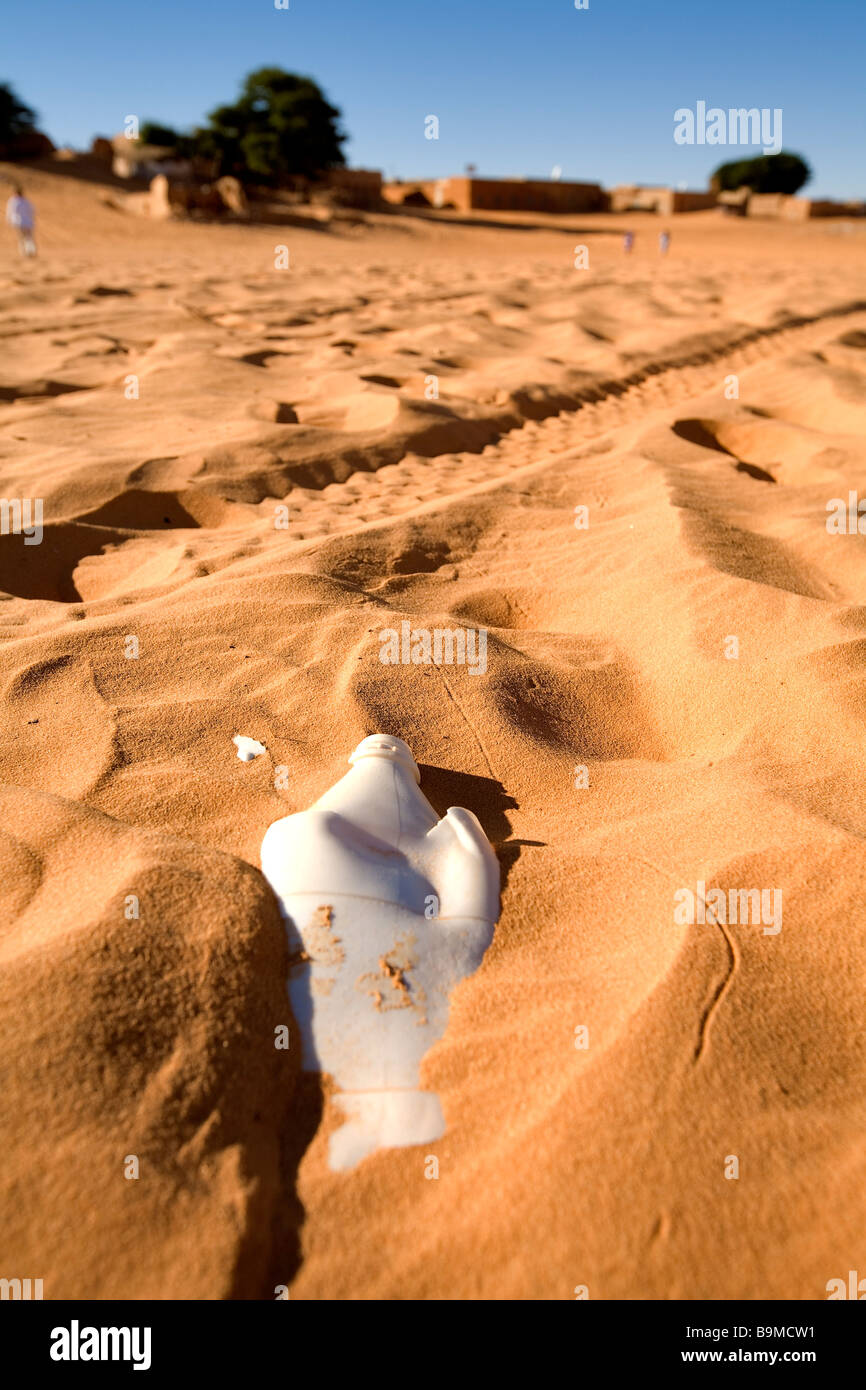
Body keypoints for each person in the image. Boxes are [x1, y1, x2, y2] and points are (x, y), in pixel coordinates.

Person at [6, 185, 36, 257]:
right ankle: (30, 251)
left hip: (19, 222)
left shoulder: (13, 201)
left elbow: (10, 212)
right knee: (29, 238)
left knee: (22, 238)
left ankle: (24, 253)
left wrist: (9, 220)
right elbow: (32, 211)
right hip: (28, 222)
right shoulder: (26, 201)